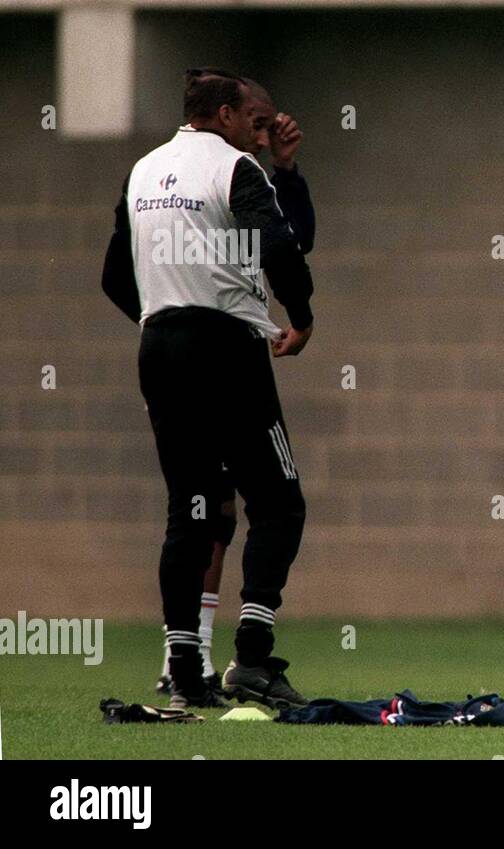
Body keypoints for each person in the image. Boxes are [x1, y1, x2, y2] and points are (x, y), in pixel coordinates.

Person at [102, 67, 318, 709]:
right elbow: (284, 247)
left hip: (160, 349)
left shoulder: (142, 171)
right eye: (255, 115)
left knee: (192, 511)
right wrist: (301, 318)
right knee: (279, 504)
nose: (266, 124)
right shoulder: (232, 168)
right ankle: (252, 658)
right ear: (224, 114)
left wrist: (168, 310)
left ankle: (186, 672)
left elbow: (115, 275)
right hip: (226, 348)